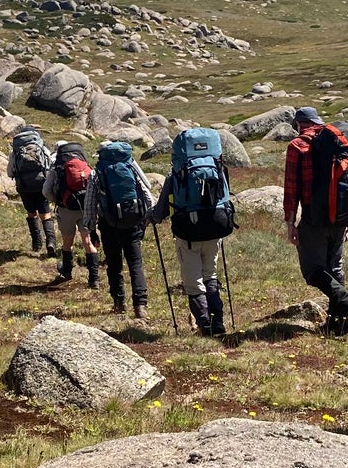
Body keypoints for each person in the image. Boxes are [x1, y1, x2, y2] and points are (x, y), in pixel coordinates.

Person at [282, 106, 348, 335]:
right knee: (335, 269)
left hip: (314, 217)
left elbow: (292, 188)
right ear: (317, 121)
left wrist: (290, 223)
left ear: (299, 124)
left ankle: (347, 302)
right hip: (340, 215)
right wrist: (347, 220)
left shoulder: (298, 145)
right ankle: (335, 326)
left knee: (313, 270)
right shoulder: (338, 143)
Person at [150, 127, 235, 336]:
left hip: (188, 232)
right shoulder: (219, 168)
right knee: (210, 275)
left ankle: (205, 324)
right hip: (215, 229)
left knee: (193, 281)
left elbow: (161, 210)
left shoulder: (176, 175)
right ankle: (219, 322)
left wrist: (152, 217)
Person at [83, 140, 155, 320]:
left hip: (108, 224)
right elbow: (148, 189)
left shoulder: (97, 173)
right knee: (135, 264)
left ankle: (119, 302)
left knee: (114, 265)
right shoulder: (130, 165)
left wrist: (91, 227)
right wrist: (146, 217)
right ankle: (140, 305)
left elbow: (90, 203)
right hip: (132, 222)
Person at [45, 141, 99, 288]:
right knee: (87, 242)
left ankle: (67, 272)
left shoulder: (57, 167)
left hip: (66, 208)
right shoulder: (84, 165)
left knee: (67, 242)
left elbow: (46, 191)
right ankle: (94, 280)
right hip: (85, 208)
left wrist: (58, 200)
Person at [7, 127, 58, 258]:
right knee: (46, 215)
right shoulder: (40, 146)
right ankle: (51, 243)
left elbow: (9, 172)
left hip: (24, 186)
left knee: (31, 214)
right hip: (41, 185)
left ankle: (36, 244)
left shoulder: (16, 150)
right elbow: (50, 164)